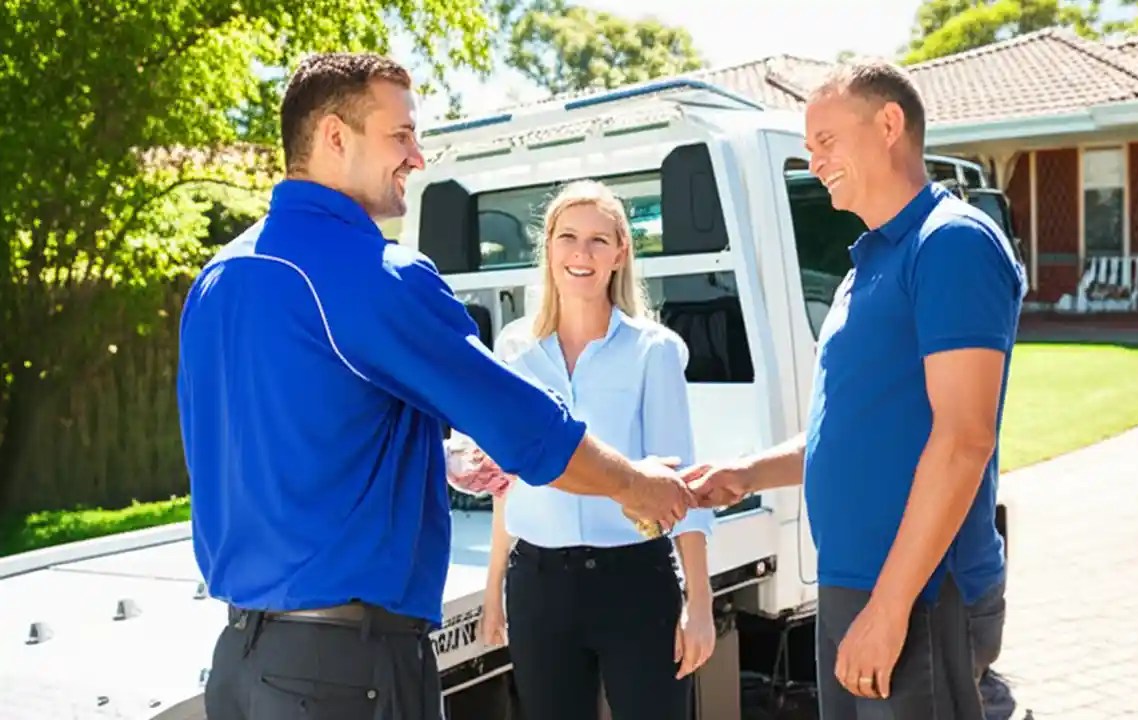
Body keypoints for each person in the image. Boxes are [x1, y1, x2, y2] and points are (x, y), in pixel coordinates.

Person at [175, 52, 692, 720]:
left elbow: (283, 436)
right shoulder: (373, 273)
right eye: (401, 135)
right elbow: (528, 431)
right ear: (335, 136)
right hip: (344, 674)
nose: (418, 157)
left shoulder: (219, 275)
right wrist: (638, 485)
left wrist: (437, 459)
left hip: (244, 665)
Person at [684, 58, 1026, 719]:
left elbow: (963, 439)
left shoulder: (950, 243)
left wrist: (890, 608)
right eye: (809, 147)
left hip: (922, 595)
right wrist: (746, 472)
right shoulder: (864, 266)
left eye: (826, 141)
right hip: (852, 585)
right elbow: (852, 428)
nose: (813, 161)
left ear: (889, 124)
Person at [458, 179, 718, 720]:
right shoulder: (514, 351)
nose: (582, 253)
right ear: (548, 248)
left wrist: (700, 604)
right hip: (538, 587)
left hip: (634, 583)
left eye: (600, 240)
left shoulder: (655, 352)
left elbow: (683, 485)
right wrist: (493, 590)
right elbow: (512, 483)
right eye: (568, 237)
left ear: (621, 252)